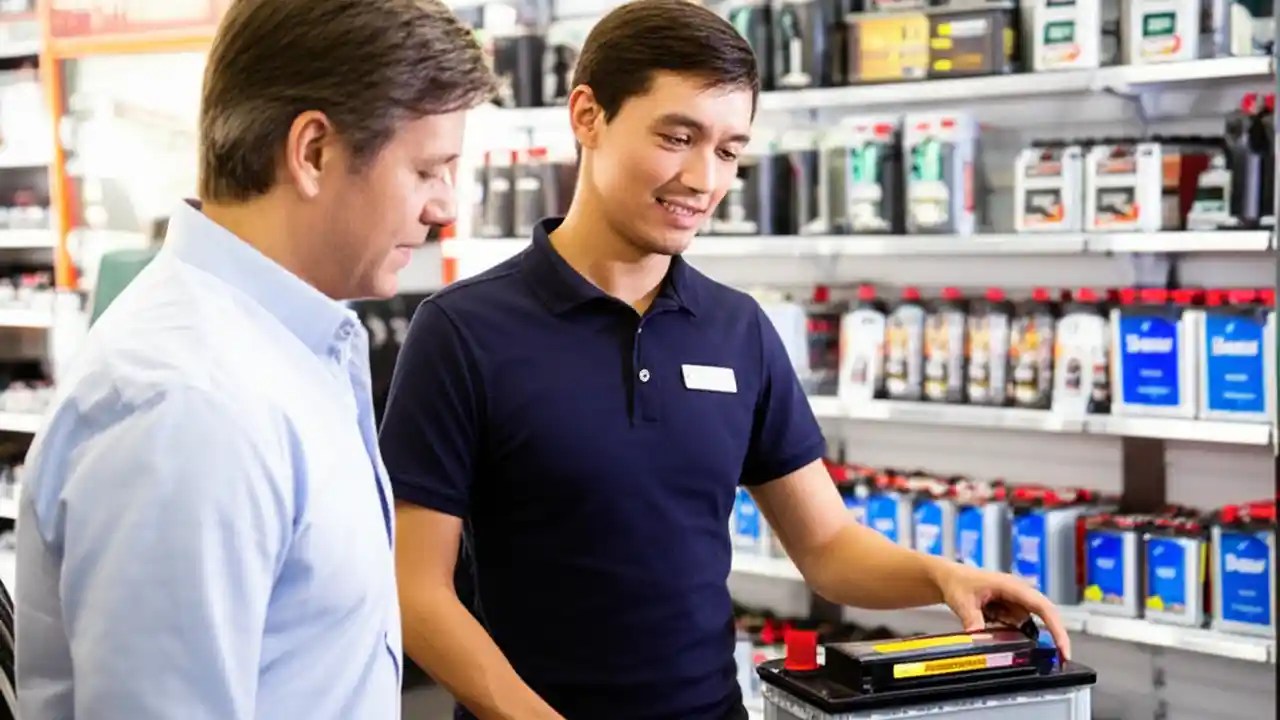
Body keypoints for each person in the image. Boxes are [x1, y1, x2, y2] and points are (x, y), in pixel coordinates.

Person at [380, 1, 1072, 718]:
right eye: (678, 137)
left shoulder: (737, 330)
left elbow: (827, 544)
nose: (703, 179)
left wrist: (944, 577)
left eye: (729, 150)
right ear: (587, 116)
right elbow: (416, 588)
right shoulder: (463, 331)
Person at [15, 1, 493, 718]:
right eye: (428, 169)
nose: (443, 206)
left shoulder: (285, 351)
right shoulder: (191, 408)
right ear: (313, 154)